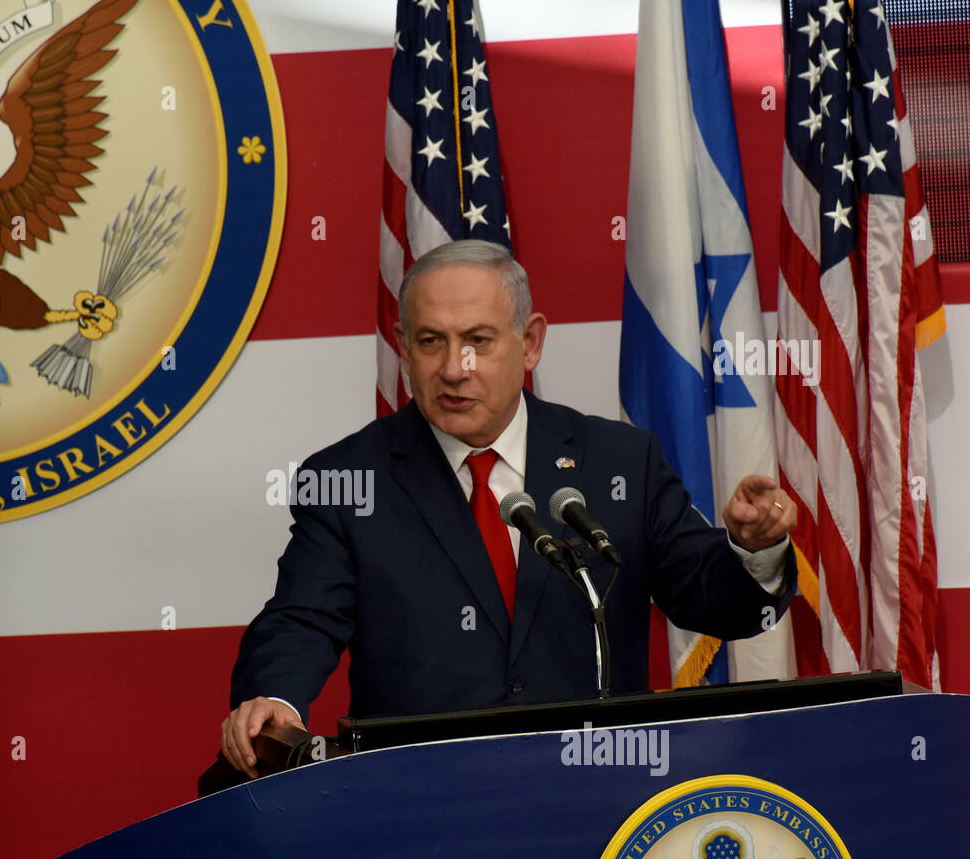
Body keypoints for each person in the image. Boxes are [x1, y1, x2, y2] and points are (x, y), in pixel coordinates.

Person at [221, 240, 796, 778]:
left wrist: (752, 549)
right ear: (401, 345)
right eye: (430, 342)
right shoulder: (348, 478)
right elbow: (302, 616)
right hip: (420, 800)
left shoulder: (619, 462)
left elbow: (708, 599)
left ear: (530, 342)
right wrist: (276, 697)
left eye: (478, 340)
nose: (454, 368)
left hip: (599, 790)